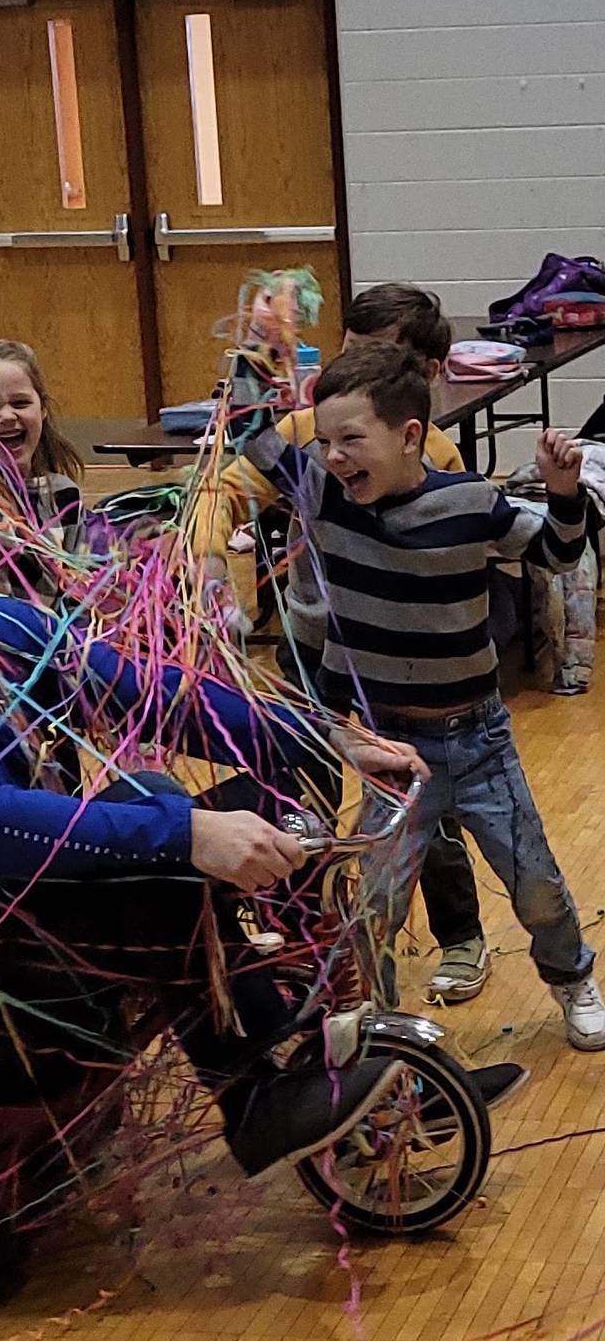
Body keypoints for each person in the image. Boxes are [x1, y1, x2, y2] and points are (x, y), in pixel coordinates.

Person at [0, 364, 512, 1188]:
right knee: (164, 849)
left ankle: (331, 1058)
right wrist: (187, 836)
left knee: (241, 800)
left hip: (2, 932)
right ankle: (257, 1094)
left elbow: (126, 681)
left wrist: (320, 733)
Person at [242, 341, 605, 1048]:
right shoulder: (323, 493)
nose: (336, 457)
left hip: (479, 745)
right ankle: (368, 1021)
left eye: (353, 439)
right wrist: (259, 355)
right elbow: (252, 437)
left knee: (536, 886)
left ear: (411, 437)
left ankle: (572, 977)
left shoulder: (471, 502)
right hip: (387, 748)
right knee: (374, 904)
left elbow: (558, 556)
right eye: (325, 442)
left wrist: (565, 495)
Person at [191, 282, 493, 1006]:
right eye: (350, 353)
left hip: (404, 662)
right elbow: (221, 490)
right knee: (303, 792)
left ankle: (460, 937)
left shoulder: (441, 458)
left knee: (423, 800)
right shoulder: (305, 434)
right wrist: (208, 565)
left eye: (376, 359)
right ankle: (314, 941)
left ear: (417, 379)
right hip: (310, 651)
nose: (352, 376)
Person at [0, 338, 85, 596]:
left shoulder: (64, 492)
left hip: (54, 629)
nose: (8, 416)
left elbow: (76, 579)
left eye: (20, 403)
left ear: (42, 408)